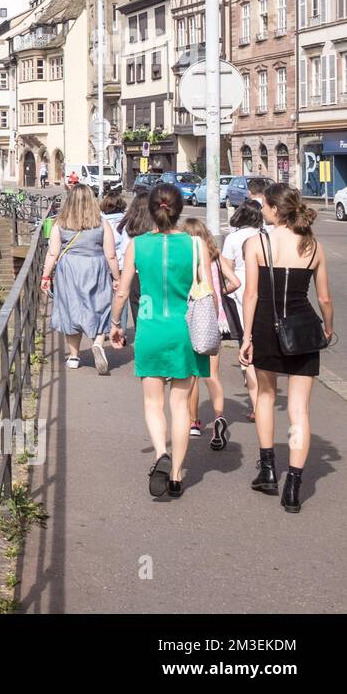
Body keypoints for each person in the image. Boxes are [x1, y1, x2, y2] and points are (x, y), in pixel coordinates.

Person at [109, 183, 208, 498]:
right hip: (184, 330)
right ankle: (177, 476)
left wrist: (115, 324)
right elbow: (206, 290)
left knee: (153, 403)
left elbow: (123, 291)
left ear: (151, 210)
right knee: (180, 405)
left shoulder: (137, 245)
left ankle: (160, 454)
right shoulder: (196, 246)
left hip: (150, 327)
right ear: (179, 210)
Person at [240, 183, 334, 513]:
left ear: (276, 210)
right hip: (303, 327)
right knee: (299, 410)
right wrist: (328, 326)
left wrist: (247, 337)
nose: (261, 208)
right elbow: (323, 298)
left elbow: (250, 295)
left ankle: (267, 471)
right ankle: (293, 487)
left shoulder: (256, 243)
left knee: (265, 397)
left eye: (264, 205)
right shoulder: (313, 245)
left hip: (266, 327)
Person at [40, 184, 120, 375]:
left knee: (71, 309)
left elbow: (52, 253)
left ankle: (74, 356)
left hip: (69, 269)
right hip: (95, 266)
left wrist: (45, 276)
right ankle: (99, 343)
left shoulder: (61, 223)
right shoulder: (101, 223)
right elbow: (110, 254)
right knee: (100, 306)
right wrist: (116, 277)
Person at [181, 218, 240, 449]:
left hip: (193, 317)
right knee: (213, 375)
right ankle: (219, 417)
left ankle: (194, 422)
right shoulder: (215, 257)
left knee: (192, 375)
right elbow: (235, 282)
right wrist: (219, 291)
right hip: (215, 320)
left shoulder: (186, 257)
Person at [221, 200, 264, 422]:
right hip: (264, 288)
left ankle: (256, 405)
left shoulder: (233, 238)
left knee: (246, 348)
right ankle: (263, 400)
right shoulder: (266, 235)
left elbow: (226, 269)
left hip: (241, 291)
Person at [116, 193, 154, 328]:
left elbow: (124, 251)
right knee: (156, 310)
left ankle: (144, 340)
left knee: (140, 312)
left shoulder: (130, 228)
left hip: (137, 275)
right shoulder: (158, 226)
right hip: (155, 273)